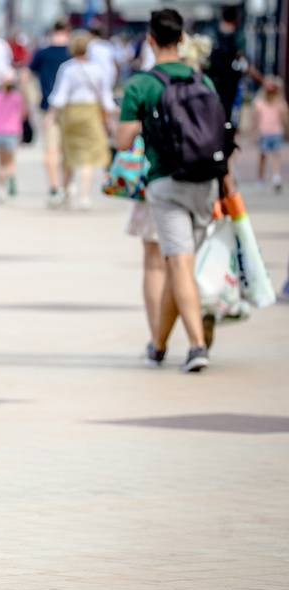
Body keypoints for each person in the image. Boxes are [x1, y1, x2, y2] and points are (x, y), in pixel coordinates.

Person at [116, 8, 221, 373]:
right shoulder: (202, 81)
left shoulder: (142, 85)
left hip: (166, 182)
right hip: (206, 182)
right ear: (182, 40)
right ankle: (158, 344)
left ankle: (196, 345)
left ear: (150, 39)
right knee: (182, 263)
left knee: (177, 262)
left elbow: (124, 138)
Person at [49, 31, 115, 211]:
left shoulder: (68, 68)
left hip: (70, 113)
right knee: (89, 155)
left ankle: (66, 188)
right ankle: (84, 196)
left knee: (69, 152)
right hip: (91, 111)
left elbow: (59, 96)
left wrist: (52, 116)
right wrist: (110, 117)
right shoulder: (96, 69)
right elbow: (106, 98)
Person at [28, 19, 72, 206]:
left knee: (51, 150)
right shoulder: (74, 53)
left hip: (48, 108)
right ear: (68, 31)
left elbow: (26, 75)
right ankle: (65, 187)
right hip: (72, 109)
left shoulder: (42, 53)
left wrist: (30, 100)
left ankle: (54, 189)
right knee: (68, 151)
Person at [0, 69, 26, 203]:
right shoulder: (17, 97)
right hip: (12, 132)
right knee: (11, 161)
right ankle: (11, 176)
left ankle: (0, 190)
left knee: (0, 164)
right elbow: (23, 114)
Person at [253, 77, 286, 192]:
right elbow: (256, 119)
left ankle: (274, 177)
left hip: (273, 132)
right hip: (266, 132)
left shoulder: (279, 102)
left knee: (271, 156)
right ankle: (263, 178)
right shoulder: (260, 102)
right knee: (265, 156)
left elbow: (285, 118)